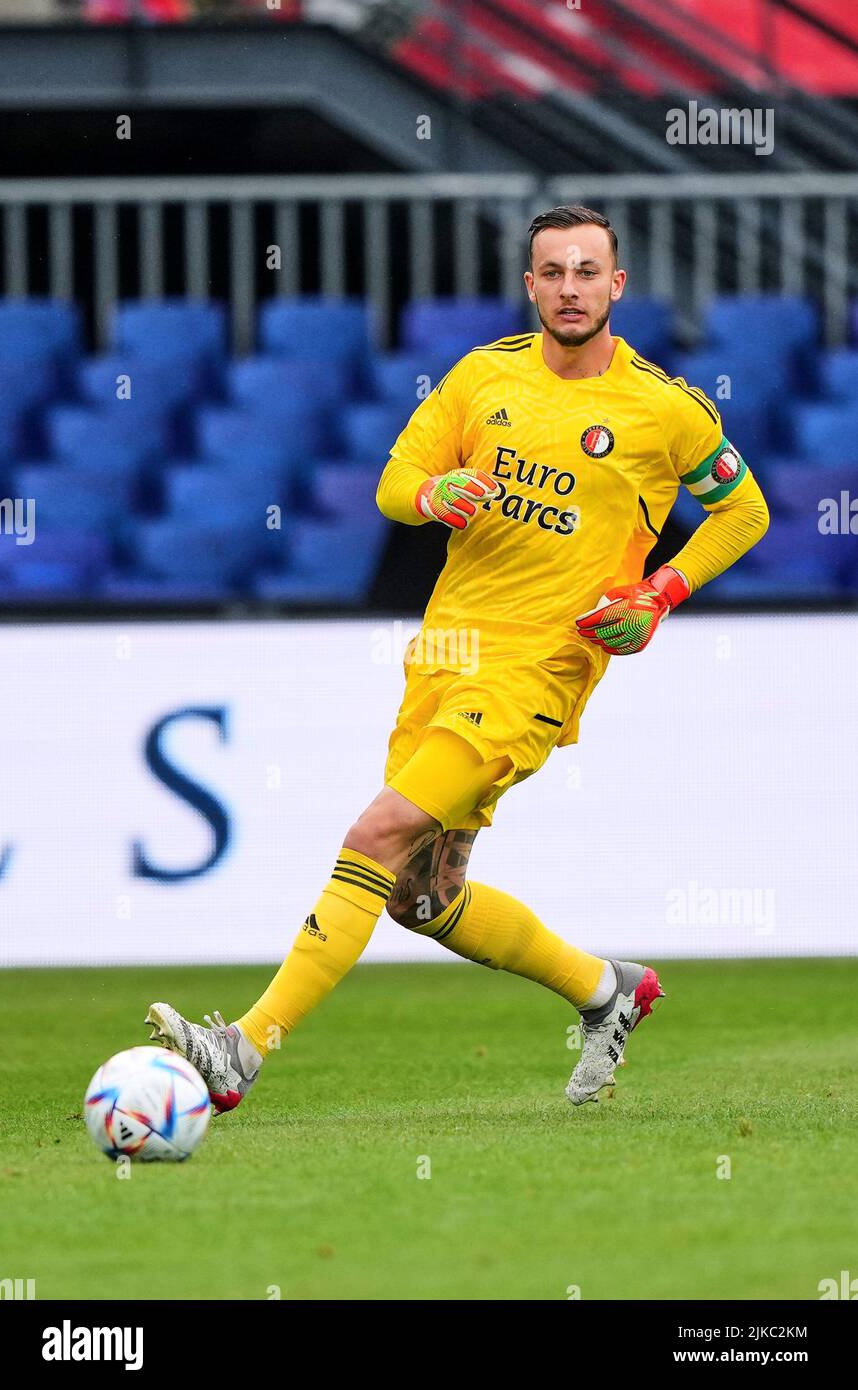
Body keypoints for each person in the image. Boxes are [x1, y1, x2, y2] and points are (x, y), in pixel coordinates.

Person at [145, 204, 769, 1111]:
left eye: (587, 271)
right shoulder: (482, 378)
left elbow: (744, 511)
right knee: (420, 898)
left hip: (537, 673)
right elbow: (393, 485)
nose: (569, 288)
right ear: (530, 285)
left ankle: (241, 1049)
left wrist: (659, 595)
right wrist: (435, 492)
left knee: (376, 832)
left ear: (617, 285)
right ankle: (607, 991)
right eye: (552, 271)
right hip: (445, 655)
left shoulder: (663, 411)